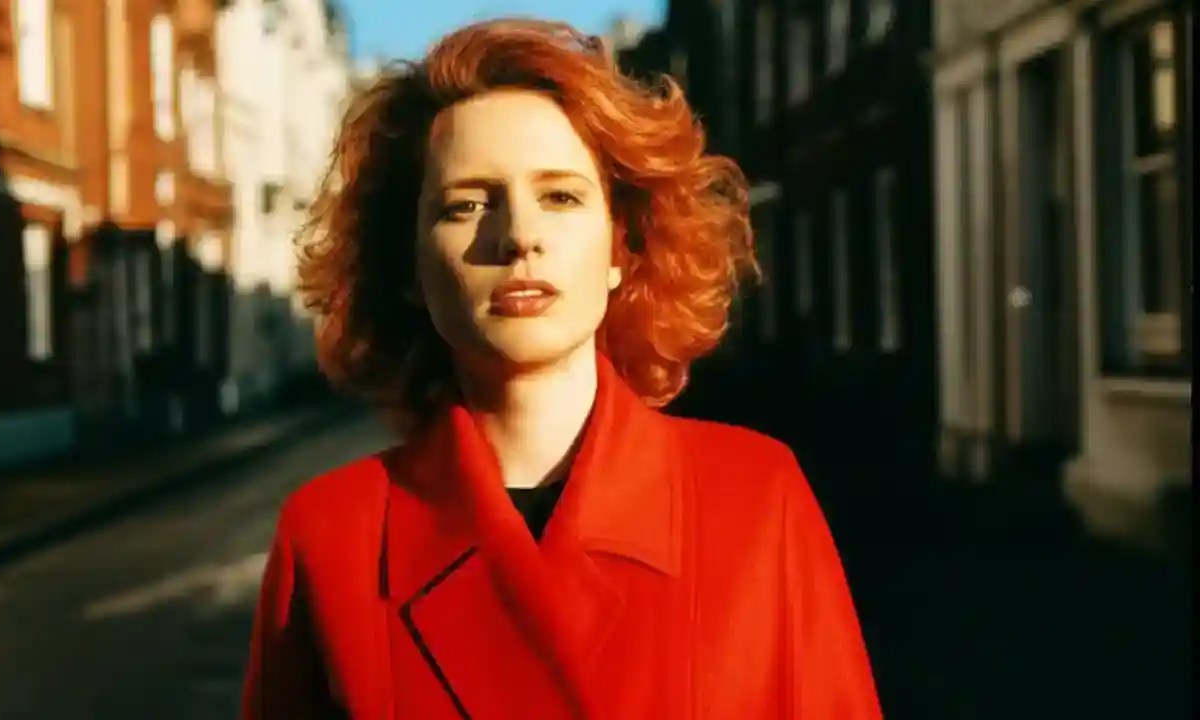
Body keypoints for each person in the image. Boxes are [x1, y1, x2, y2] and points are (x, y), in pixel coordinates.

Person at [241, 18, 881, 720]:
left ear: (619, 247)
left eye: (561, 196)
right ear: (407, 268)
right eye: (467, 205)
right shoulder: (334, 537)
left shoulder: (756, 499)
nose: (518, 237)